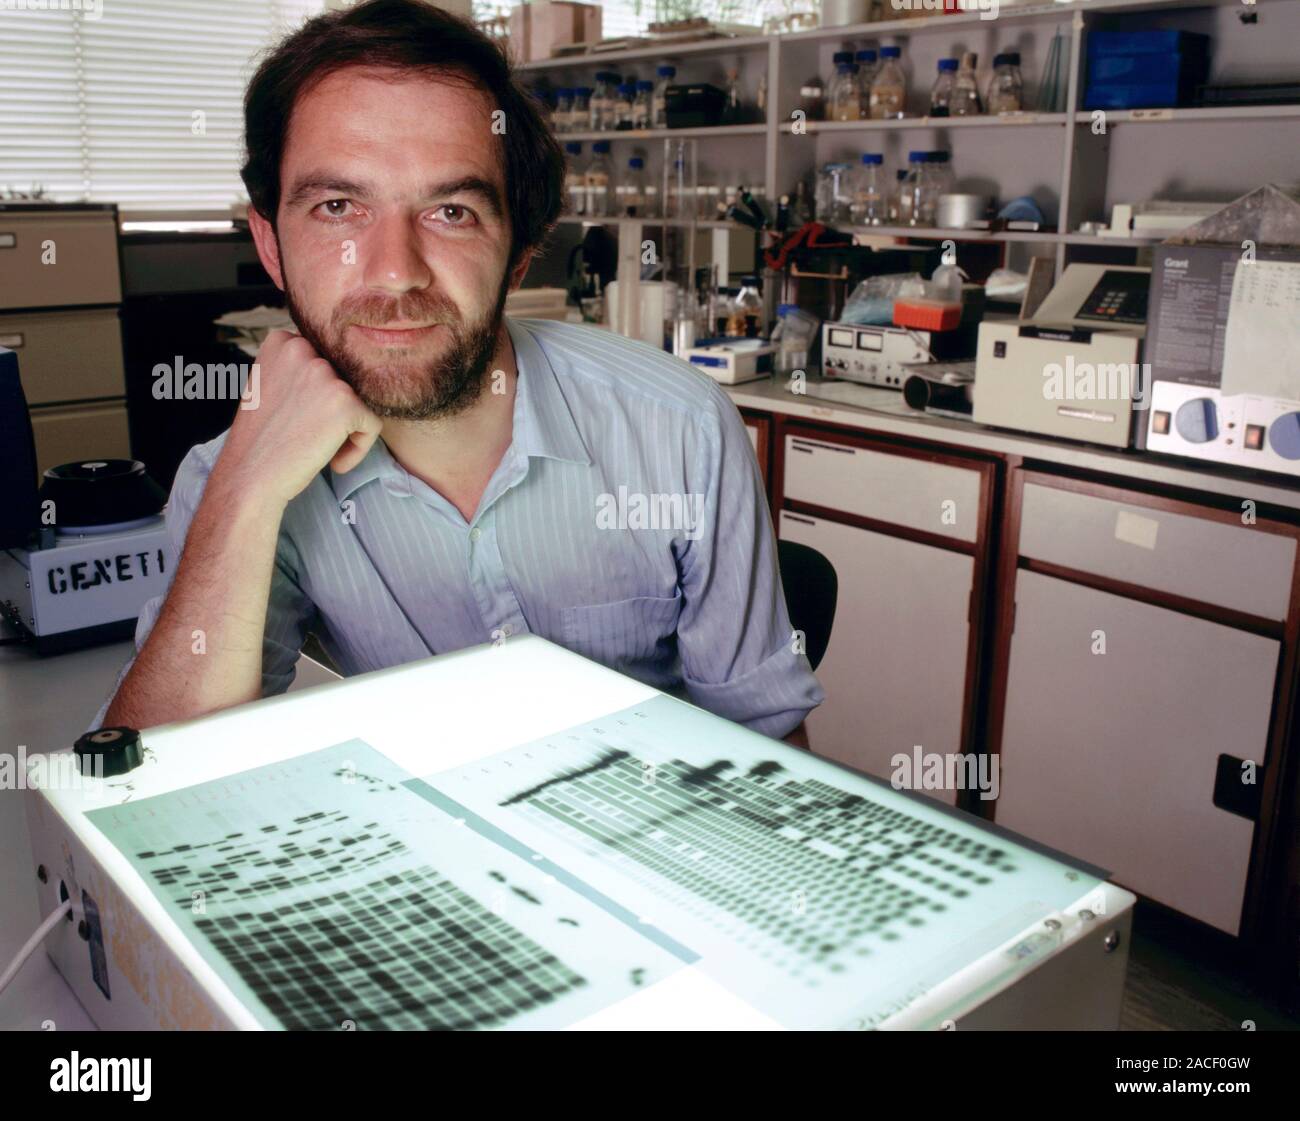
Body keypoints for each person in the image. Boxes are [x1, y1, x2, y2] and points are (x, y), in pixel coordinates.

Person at [98, 0, 823, 741]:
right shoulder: (240, 475)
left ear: (519, 255)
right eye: (339, 206)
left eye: (451, 212)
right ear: (272, 245)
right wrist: (246, 494)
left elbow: (772, 749)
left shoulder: (679, 429)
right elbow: (142, 786)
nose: (394, 273)